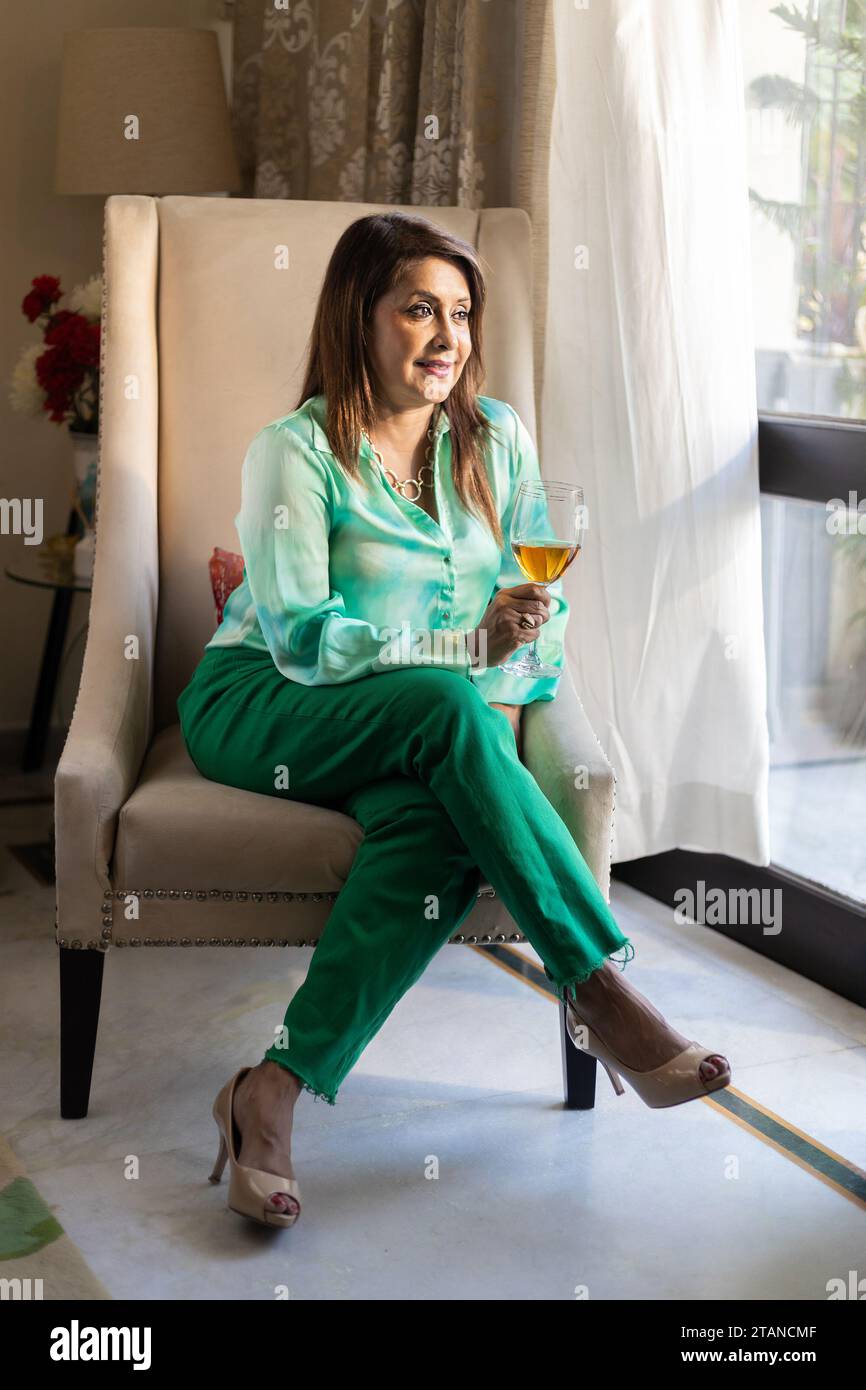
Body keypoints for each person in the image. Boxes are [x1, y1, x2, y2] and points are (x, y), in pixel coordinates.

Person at [177, 211, 730, 1231]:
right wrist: (463, 662)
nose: (447, 336)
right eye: (418, 308)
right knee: (441, 702)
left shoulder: (496, 436)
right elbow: (300, 639)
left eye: (462, 312)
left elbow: (537, 599)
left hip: (422, 717)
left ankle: (271, 1091)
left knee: (436, 812)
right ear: (359, 316)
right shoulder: (291, 453)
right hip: (264, 700)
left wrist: (508, 687)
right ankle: (600, 992)